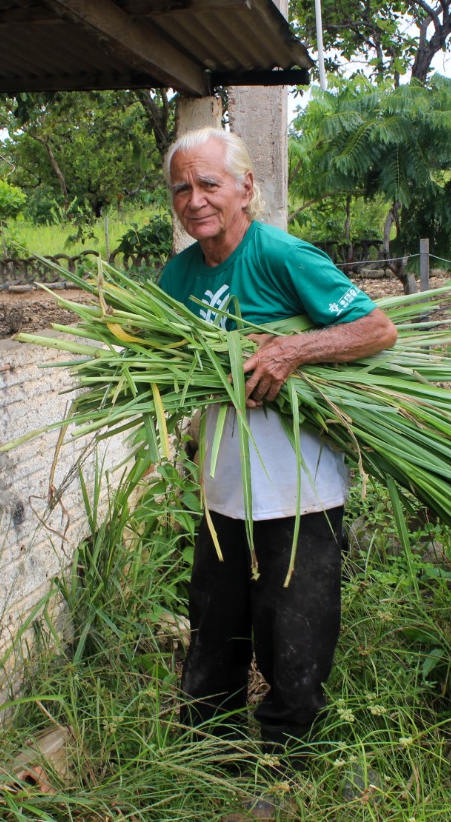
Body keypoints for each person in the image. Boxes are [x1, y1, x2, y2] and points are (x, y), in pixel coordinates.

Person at [158, 128, 397, 770]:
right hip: (222, 487)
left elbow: (377, 328)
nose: (195, 200)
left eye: (209, 183)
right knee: (215, 623)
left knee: (295, 629)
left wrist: (294, 349)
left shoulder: (282, 255)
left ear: (245, 188)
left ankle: (291, 761)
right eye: (181, 188)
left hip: (300, 488)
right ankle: (210, 751)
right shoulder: (177, 276)